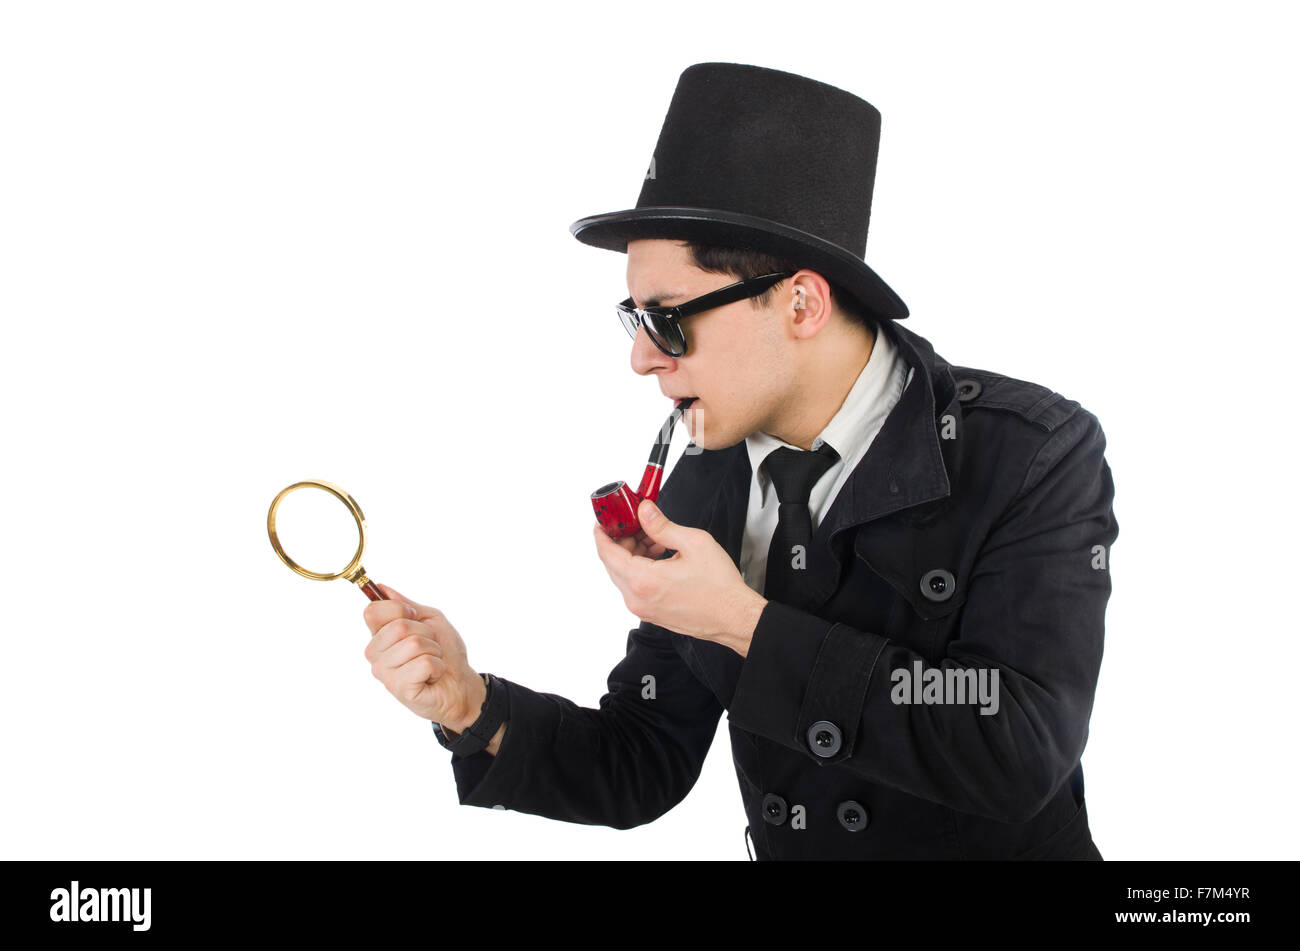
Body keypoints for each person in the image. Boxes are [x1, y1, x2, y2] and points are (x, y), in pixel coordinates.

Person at [362, 62, 1119, 859]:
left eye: (670, 319)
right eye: (636, 320)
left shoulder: (1032, 454)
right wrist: (472, 706)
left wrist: (739, 621)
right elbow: (643, 755)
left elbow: (1019, 747)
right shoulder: (706, 481)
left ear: (800, 302)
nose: (643, 360)